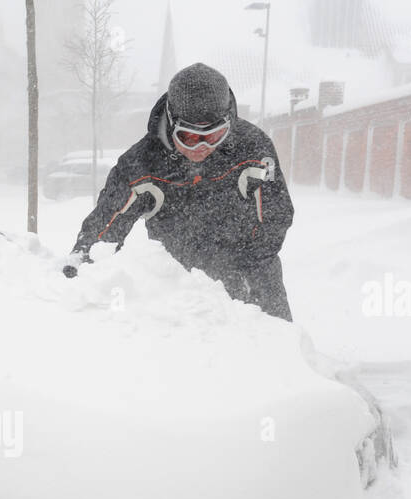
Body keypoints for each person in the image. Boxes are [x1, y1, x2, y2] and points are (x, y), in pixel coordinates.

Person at [63, 63, 295, 321]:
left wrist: (245, 265)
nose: (203, 147)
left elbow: (277, 213)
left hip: (252, 269)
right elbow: (106, 223)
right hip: (178, 283)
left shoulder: (253, 148)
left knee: (274, 348)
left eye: (215, 135)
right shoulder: (141, 164)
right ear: (172, 124)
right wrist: (83, 259)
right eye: (190, 137)